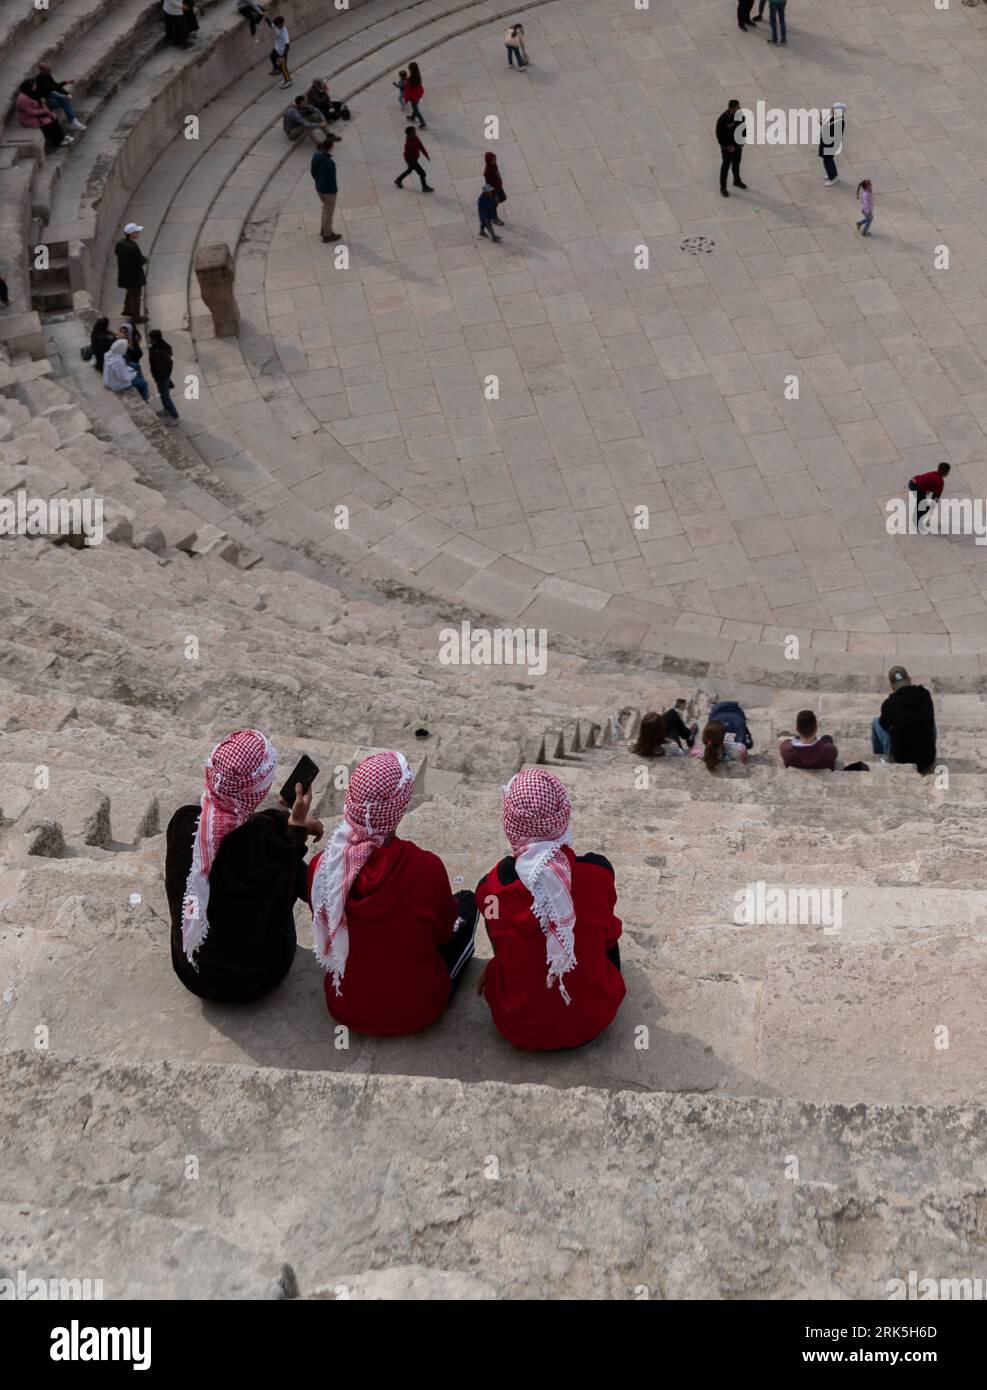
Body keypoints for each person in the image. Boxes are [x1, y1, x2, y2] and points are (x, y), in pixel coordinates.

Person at [306, 751, 478, 1035]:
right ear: (398, 811)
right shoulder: (427, 868)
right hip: (420, 1009)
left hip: (343, 1006)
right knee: (469, 904)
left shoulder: (320, 868)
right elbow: (444, 933)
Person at [165, 730, 322, 1002]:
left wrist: (285, 820)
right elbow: (281, 903)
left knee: (281, 855)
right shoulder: (268, 849)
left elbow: (241, 828)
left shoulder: (183, 824)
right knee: (292, 867)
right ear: (258, 791)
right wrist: (295, 831)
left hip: (192, 970)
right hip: (255, 980)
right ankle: (330, 903)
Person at [475, 769, 625, 1052]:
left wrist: (499, 965)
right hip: (594, 1019)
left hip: (517, 1025)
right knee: (607, 937)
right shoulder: (598, 873)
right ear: (564, 816)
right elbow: (609, 936)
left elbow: (500, 941)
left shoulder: (492, 890)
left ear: (510, 824)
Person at [872, 666, 937, 773]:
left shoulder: (890, 703)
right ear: (909, 679)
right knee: (931, 722)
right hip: (927, 759)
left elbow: (883, 725)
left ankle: (882, 756)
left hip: (901, 759)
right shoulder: (925, 694)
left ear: (892, 686)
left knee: (876, 722)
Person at [16, 80, 71, 149]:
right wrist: (44, 111)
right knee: (48, 122)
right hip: (28, 118)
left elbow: (40, 101)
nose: (35, 86)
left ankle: (62, 136)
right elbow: (29, 112)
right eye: (34, 85)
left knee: (53, 117)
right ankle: (57, 141)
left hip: (39, 112)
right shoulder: (23, 99)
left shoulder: (31, 92)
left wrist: (45, 108)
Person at [34, 65, 86, 131]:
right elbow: (49, 91)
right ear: (42, 70)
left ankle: (73, 121)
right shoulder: (38, 81)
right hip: (46, 102)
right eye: (48, 69)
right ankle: (73, 122)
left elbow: (55, 86)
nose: (50, 70)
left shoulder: (48, 75)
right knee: (64, 100)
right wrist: (63, 95)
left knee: (65, 100)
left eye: (49, 68)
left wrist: (65, 85)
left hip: (51, 97)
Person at [114, 223, 147, 322]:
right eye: (137, 232)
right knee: (135, 296)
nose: (138, 233)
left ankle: (127, 310)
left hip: (125, 274)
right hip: (135, 276)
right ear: (132, 234)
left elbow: (117, 253)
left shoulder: (120, 243)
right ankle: (136, 317)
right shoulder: (132, 246)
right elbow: (140, 260)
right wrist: (145, 259)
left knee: (130, 292)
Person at [631, 708, 697, 757]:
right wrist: (667, 740)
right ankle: (689, 736)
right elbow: (681, 753)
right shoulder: (672, 746)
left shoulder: (633, 745)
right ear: (662, 730)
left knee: (671, 714)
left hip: (653, 743)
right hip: (666, 746)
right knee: (673, 721)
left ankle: (689, 736)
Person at [310, 138, 340, 242]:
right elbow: (331, 179)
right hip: (328, 191)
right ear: (330, 147)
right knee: (329, 212)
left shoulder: (316, 156)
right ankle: (327, 235)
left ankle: (324, 229)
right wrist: (334, 190)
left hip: (319, 188)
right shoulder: (329, 162)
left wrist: (317, 181)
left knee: (325, 209)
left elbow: (312, 171)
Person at [102, 338, 150, 402]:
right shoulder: (118, 362)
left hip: (109, 380)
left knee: (135, 369)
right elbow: (123, 378)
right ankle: (145, 399)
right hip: (116, 384)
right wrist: (133, 374)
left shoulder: (109, 354)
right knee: (143, 383)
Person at [148, 329, 180, 425]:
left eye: (150, 338)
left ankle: (175, 416)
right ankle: (166, 409)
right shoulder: (164, 346)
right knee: (163, 394)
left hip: (161, 377)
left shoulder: (156, 351)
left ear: (153, 339)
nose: (149, 340)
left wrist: (158, 377)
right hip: (165, 375)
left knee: (165, 397)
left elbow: (159, 367)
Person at [716, 99, 746, 197]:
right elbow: (719, 135)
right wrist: (728, 146)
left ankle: (737, 181)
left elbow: (743, 127)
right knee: (726, 166)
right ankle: (723, 187)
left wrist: (742, 140)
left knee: (736, 163)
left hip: (737, 145)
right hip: (727, 148)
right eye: (738, 107)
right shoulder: (722, 120)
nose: (740, 108)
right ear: (732, 109)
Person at [908, 461, 950, 531]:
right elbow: (936, 496)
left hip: (912, 482)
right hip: (917, 487)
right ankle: (917, 522)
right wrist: (932, 506)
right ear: (946, 473)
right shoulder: (940, 481)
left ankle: (915, 518)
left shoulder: (934, 473)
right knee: (925, 507)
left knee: (920, 503)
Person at [394, 125, 433, 191]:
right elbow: (406, 154)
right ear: (409, 134)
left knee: (409, 171)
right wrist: (409, 161)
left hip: (414, 159)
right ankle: (424, 187)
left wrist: (426, 155)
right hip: (412, 161)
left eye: (415, 132)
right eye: (414, 132)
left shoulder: (416, 138)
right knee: (422, 173)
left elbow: (421, 146)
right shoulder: (408, 144)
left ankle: (398, 180)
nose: (415, 133)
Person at [820, 103, 847, 185]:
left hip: (831, 144)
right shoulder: (835, 117)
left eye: (833, 109)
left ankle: (832, 178)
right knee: (829, 160)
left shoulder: (839, 121)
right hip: (828, 143)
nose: (831, 110)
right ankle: (833, 174)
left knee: (827, 161)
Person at [483, 152, 506, 224]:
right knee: (494, 203)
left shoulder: (494, 166)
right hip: (493, 190)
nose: (494, 161)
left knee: (503, 198)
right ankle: (494, 218)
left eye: (495, 159)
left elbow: (497, 174)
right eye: (493, 160)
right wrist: (494, 193)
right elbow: (489, 183)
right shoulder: (487, 171)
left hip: (498, 187)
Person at [269, 15, 291, 87]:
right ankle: (276, 68)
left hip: (282, 52)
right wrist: (264, 16)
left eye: (276, 25)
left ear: (281, 24)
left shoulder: (284, 33)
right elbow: (270, 24)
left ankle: (288, 81)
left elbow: (287, 46)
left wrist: (283, 56)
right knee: (272, 57)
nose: (275, 26)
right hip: (276, 48)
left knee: (283, 68)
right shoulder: (276, 25)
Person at [403, 62, 425, 127]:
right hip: (417, 95)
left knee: (415, 109)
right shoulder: (418, 76)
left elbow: (408, 90)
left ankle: (422, 122)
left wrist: (406, 98)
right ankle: (412, 117)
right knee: (415, 106)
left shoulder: (410, 79)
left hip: (413, 97)